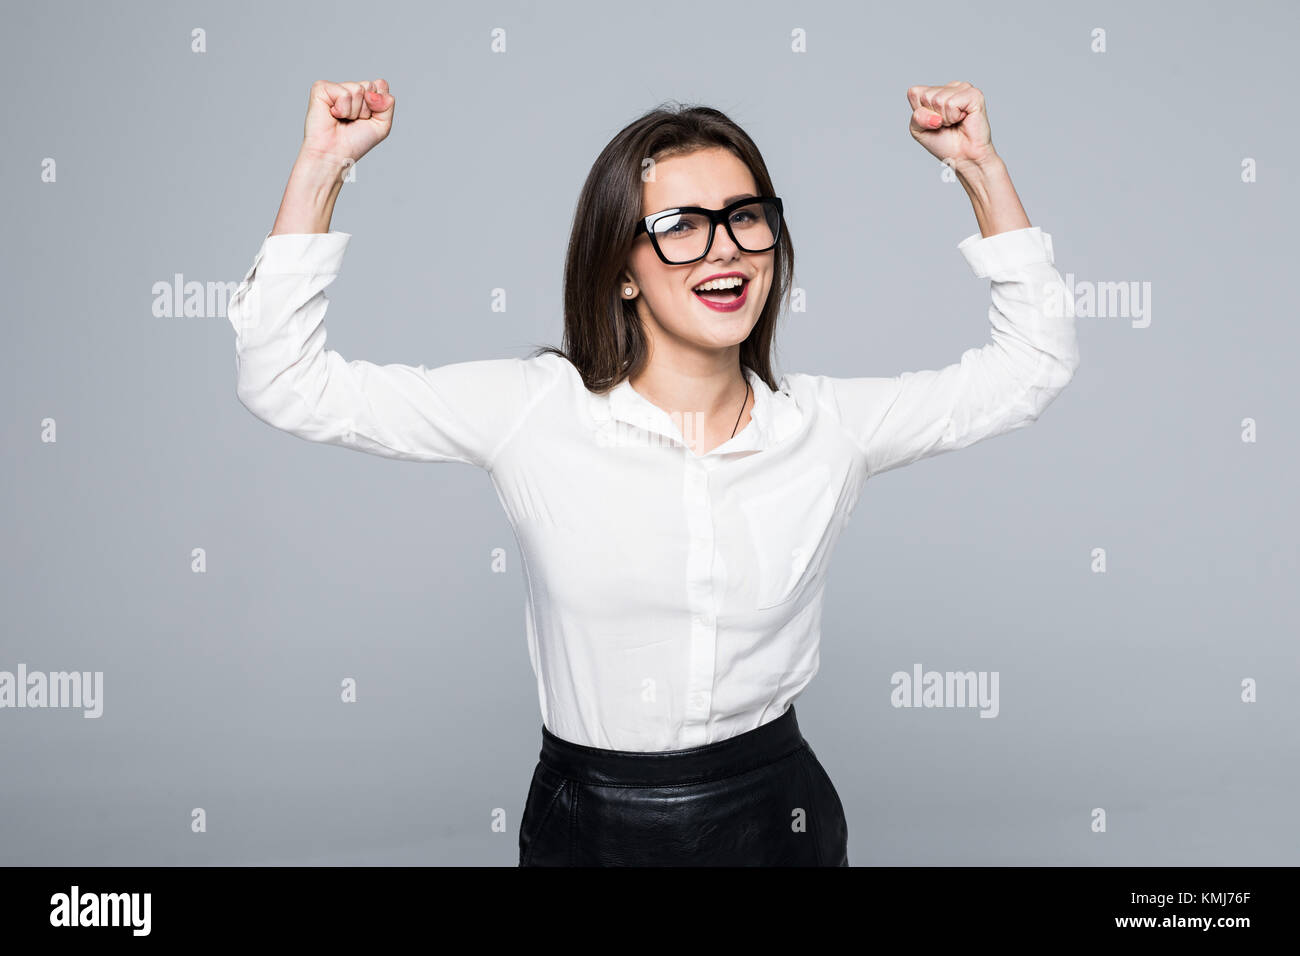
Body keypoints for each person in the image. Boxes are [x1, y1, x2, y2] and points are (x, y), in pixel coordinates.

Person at [225, 78, 1080, 866]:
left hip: (775, 816)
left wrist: (978, 169)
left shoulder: (826, 429)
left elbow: (1031, 368)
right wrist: (324, 169)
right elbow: (287, 382)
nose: (726, 249)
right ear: (621, 270)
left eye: (748, 216)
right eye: (679, 227)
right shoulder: (533, 412)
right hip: (590, 824)